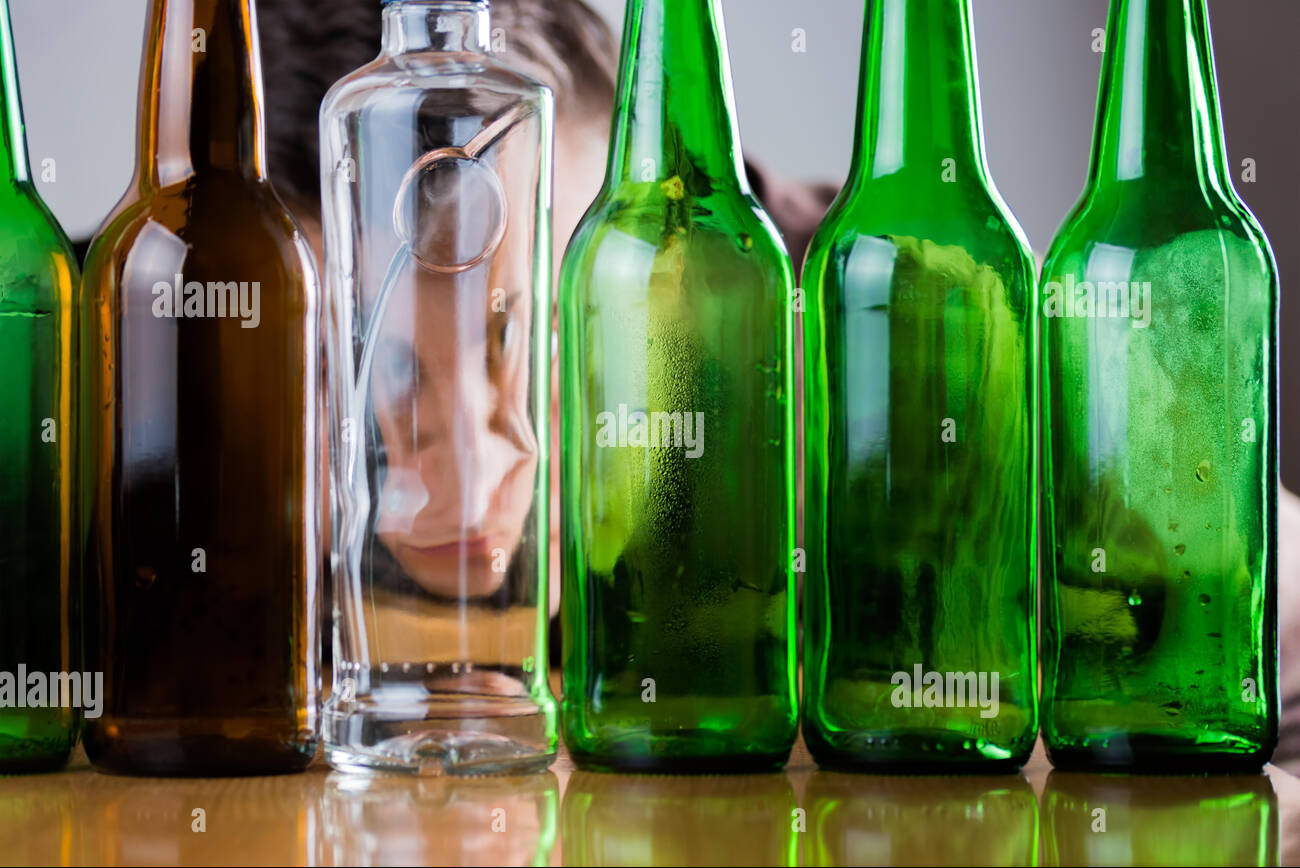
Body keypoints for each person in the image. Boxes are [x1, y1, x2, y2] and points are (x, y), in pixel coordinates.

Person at [253, 0, 1298, 776]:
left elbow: (1275, 617)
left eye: (548, 334)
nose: (479, 476)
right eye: (373, 372)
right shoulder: (224, 431)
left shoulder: (894, 310)